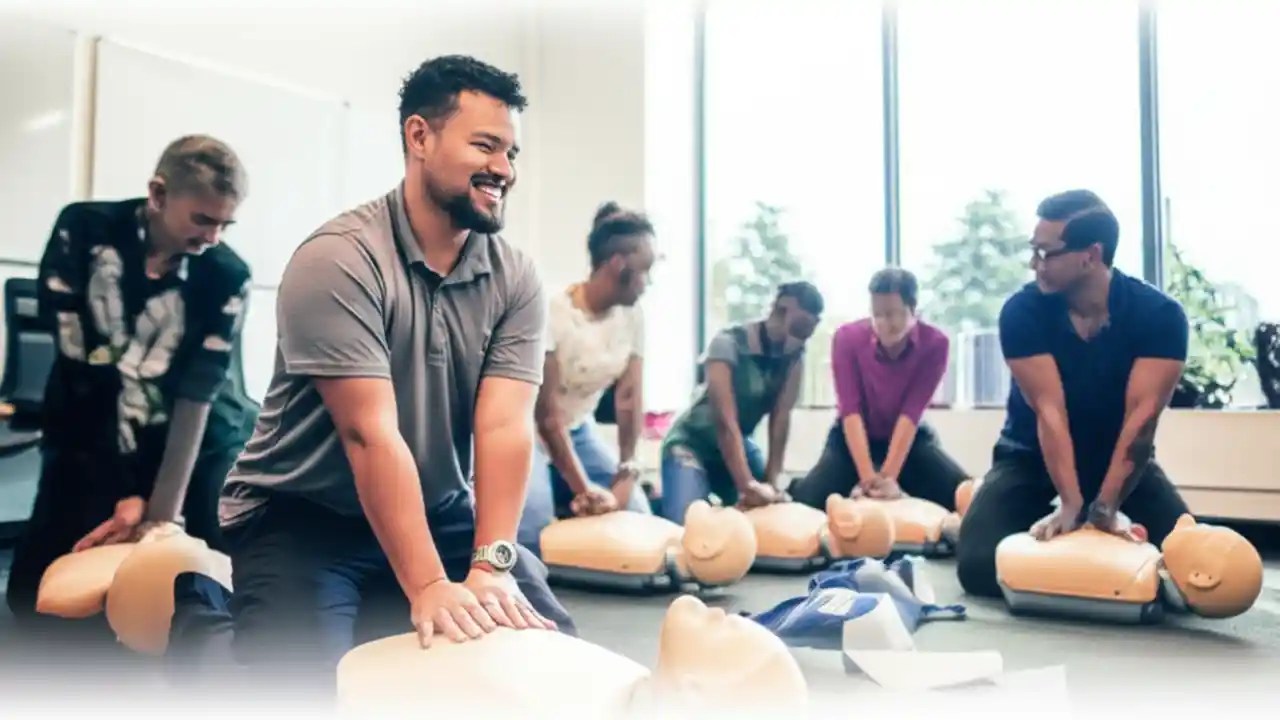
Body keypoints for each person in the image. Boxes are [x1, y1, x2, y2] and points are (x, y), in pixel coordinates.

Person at [168, 55, 575, 698]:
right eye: (485, 145)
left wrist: (489, 565)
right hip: (302, 516)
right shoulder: (339, 260)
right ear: (419, 137)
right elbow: (368, 436)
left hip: (439, 510)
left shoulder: (516, 277)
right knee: (306, 690)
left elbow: (502, 426)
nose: (505, 168)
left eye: (512, 151)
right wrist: (430, 587)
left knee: (544, 654)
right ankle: (203, 621)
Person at [5, 135, 255, 624]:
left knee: (200, 585)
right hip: (87, 430)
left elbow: (197, 395)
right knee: (33, 598)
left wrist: (159, 512)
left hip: (189, 447)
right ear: (158, 195)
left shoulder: (226, 274)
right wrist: (124, 491)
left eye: (226, 223)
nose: (214, 238)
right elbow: (84, 373)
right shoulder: (83, 230)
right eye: (202, 220)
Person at [956, 189, 1191, 598]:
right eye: (1033, 251)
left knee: (1190, 573)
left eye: (1046, 253)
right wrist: (1070, 504)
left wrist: (1104, 509)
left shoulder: (1160, 316)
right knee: (977, 566)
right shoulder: (1021, 312)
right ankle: (982, 499)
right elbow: (1050, 411)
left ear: (1091, 254)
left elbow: (1142, 419)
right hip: (1028, 456)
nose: (1035, 264)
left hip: (1117, 456)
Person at [517, 202, 656, 554]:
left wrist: (627, 471)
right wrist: (585, 488)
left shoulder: (633, 316)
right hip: (528, 433)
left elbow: (629, 398)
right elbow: (545, 417)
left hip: (579, 430)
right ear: (617, 265)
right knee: (531, 530)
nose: (648, 282)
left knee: (637, 515)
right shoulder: (552, 311)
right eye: (644, 271)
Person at [788, 268, 968, 510]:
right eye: (877, 314)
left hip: (908, 437)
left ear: (913, 309)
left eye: (891, 314)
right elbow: (850, 410)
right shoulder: (846, 338)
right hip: (851, 437)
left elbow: (911, 413)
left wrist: (888, 479)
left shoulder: (936, 344)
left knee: (962, 495)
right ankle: (798, 487)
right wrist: (869, 480)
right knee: (808, 501)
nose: (883, 324)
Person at [657, 282, 824, 524]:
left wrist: (771, 480)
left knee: (773, 511)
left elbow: (781, 418)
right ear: (780, 310)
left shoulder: (795, 357)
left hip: (739, 444)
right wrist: (747, 485)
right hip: (692, 443)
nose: (801, 339)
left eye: (808, 331)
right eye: (799, 328)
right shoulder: (728, 343)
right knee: (688, 525)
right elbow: (725, 422)